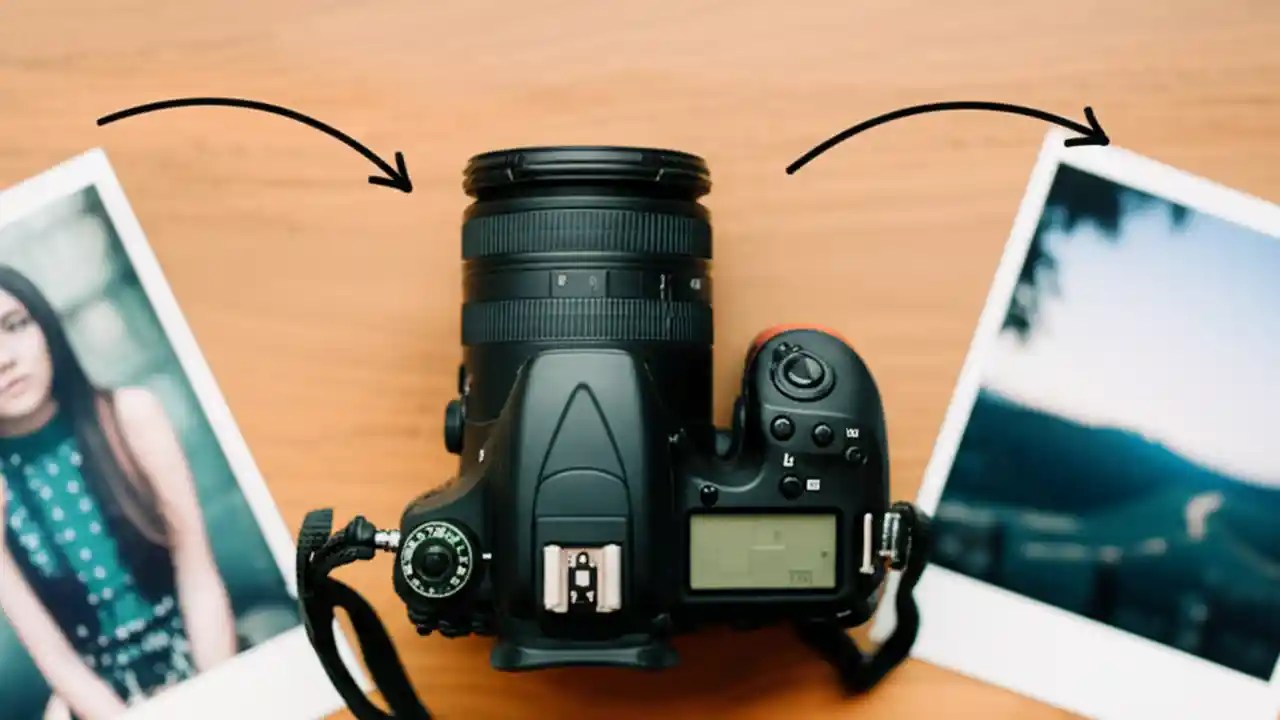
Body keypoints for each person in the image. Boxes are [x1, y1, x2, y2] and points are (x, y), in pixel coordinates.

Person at [0, 266, 237, 720]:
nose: (4, 359)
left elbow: (198, 573)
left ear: (45, 326)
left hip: (200, 650)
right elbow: (51, 656)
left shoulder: (130, 416)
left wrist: (213, 697)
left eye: (14, 326)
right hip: (94, 695)